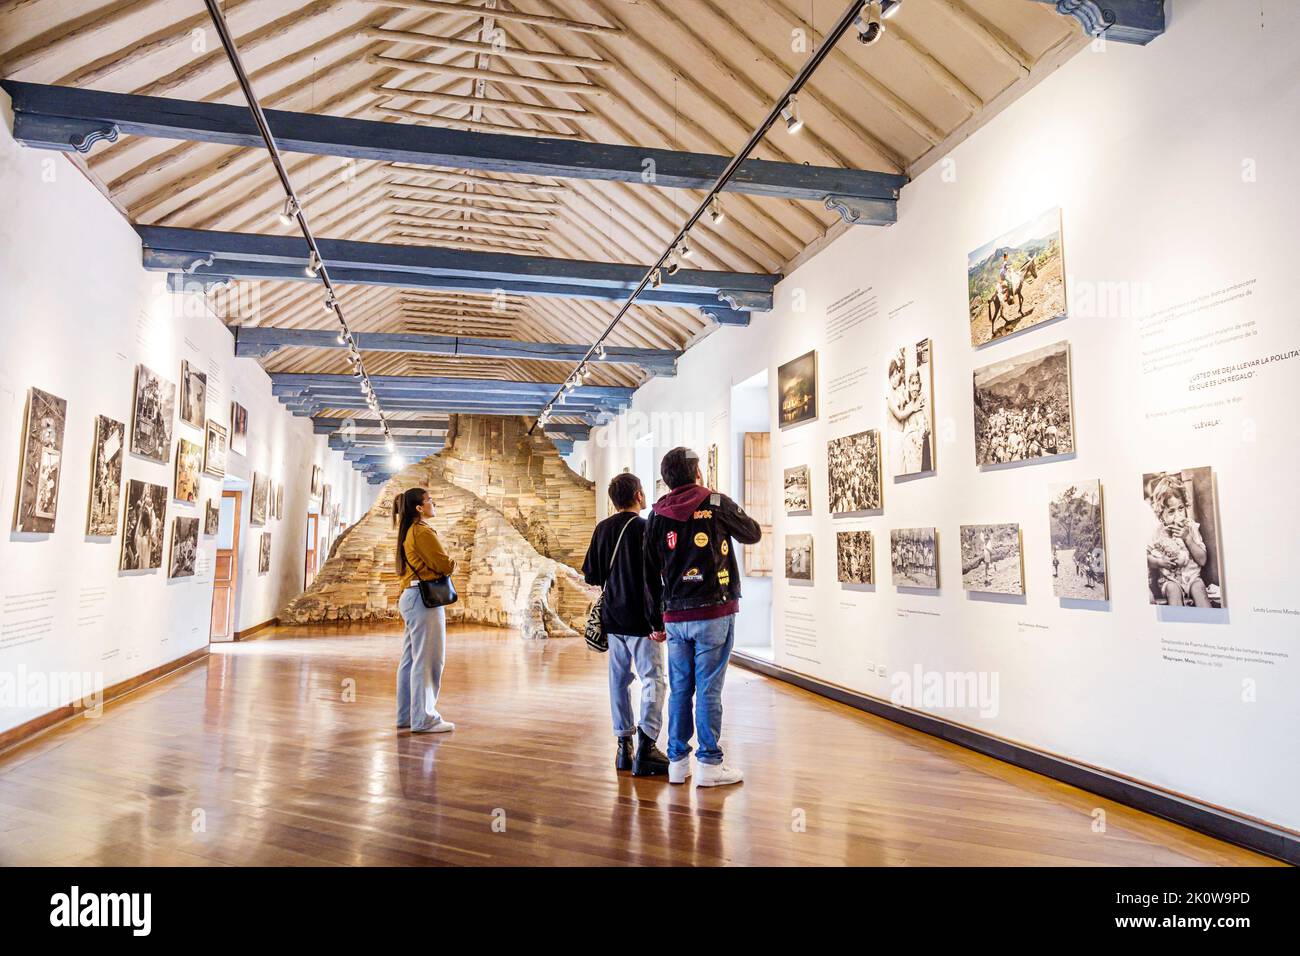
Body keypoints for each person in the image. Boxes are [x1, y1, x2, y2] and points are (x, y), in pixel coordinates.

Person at [644, 447, 762, 788]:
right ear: (697, 473)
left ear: (667, 478)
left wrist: (655, 621)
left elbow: (648, 573)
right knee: (709, 689)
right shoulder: (714, 502)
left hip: (675, 616)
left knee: (681, 689)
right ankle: (709, 764)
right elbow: (751, 532)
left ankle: (677, 763)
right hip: (714, 611)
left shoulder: (656, 515)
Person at [582, 473, 670, 777]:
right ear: (639, 495)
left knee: (618, 680)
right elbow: (659, 577)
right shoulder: (648, 529)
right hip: (643, 620)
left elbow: (591, 575)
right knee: (653, 678)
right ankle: (647, 744)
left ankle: (623, 746)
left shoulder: (603, 529)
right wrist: (659, 619)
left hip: (613, 618)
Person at [395, 487, 456, 733]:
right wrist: (453, 563)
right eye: (430, 500)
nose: (434, 503)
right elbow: (443, 564)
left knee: (411, 660)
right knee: (429, 660)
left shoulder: (409, 531)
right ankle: (425, 718)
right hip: (423, 599)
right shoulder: (421, 532)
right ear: (419, 508)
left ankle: (407, 716)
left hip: (411, 597)